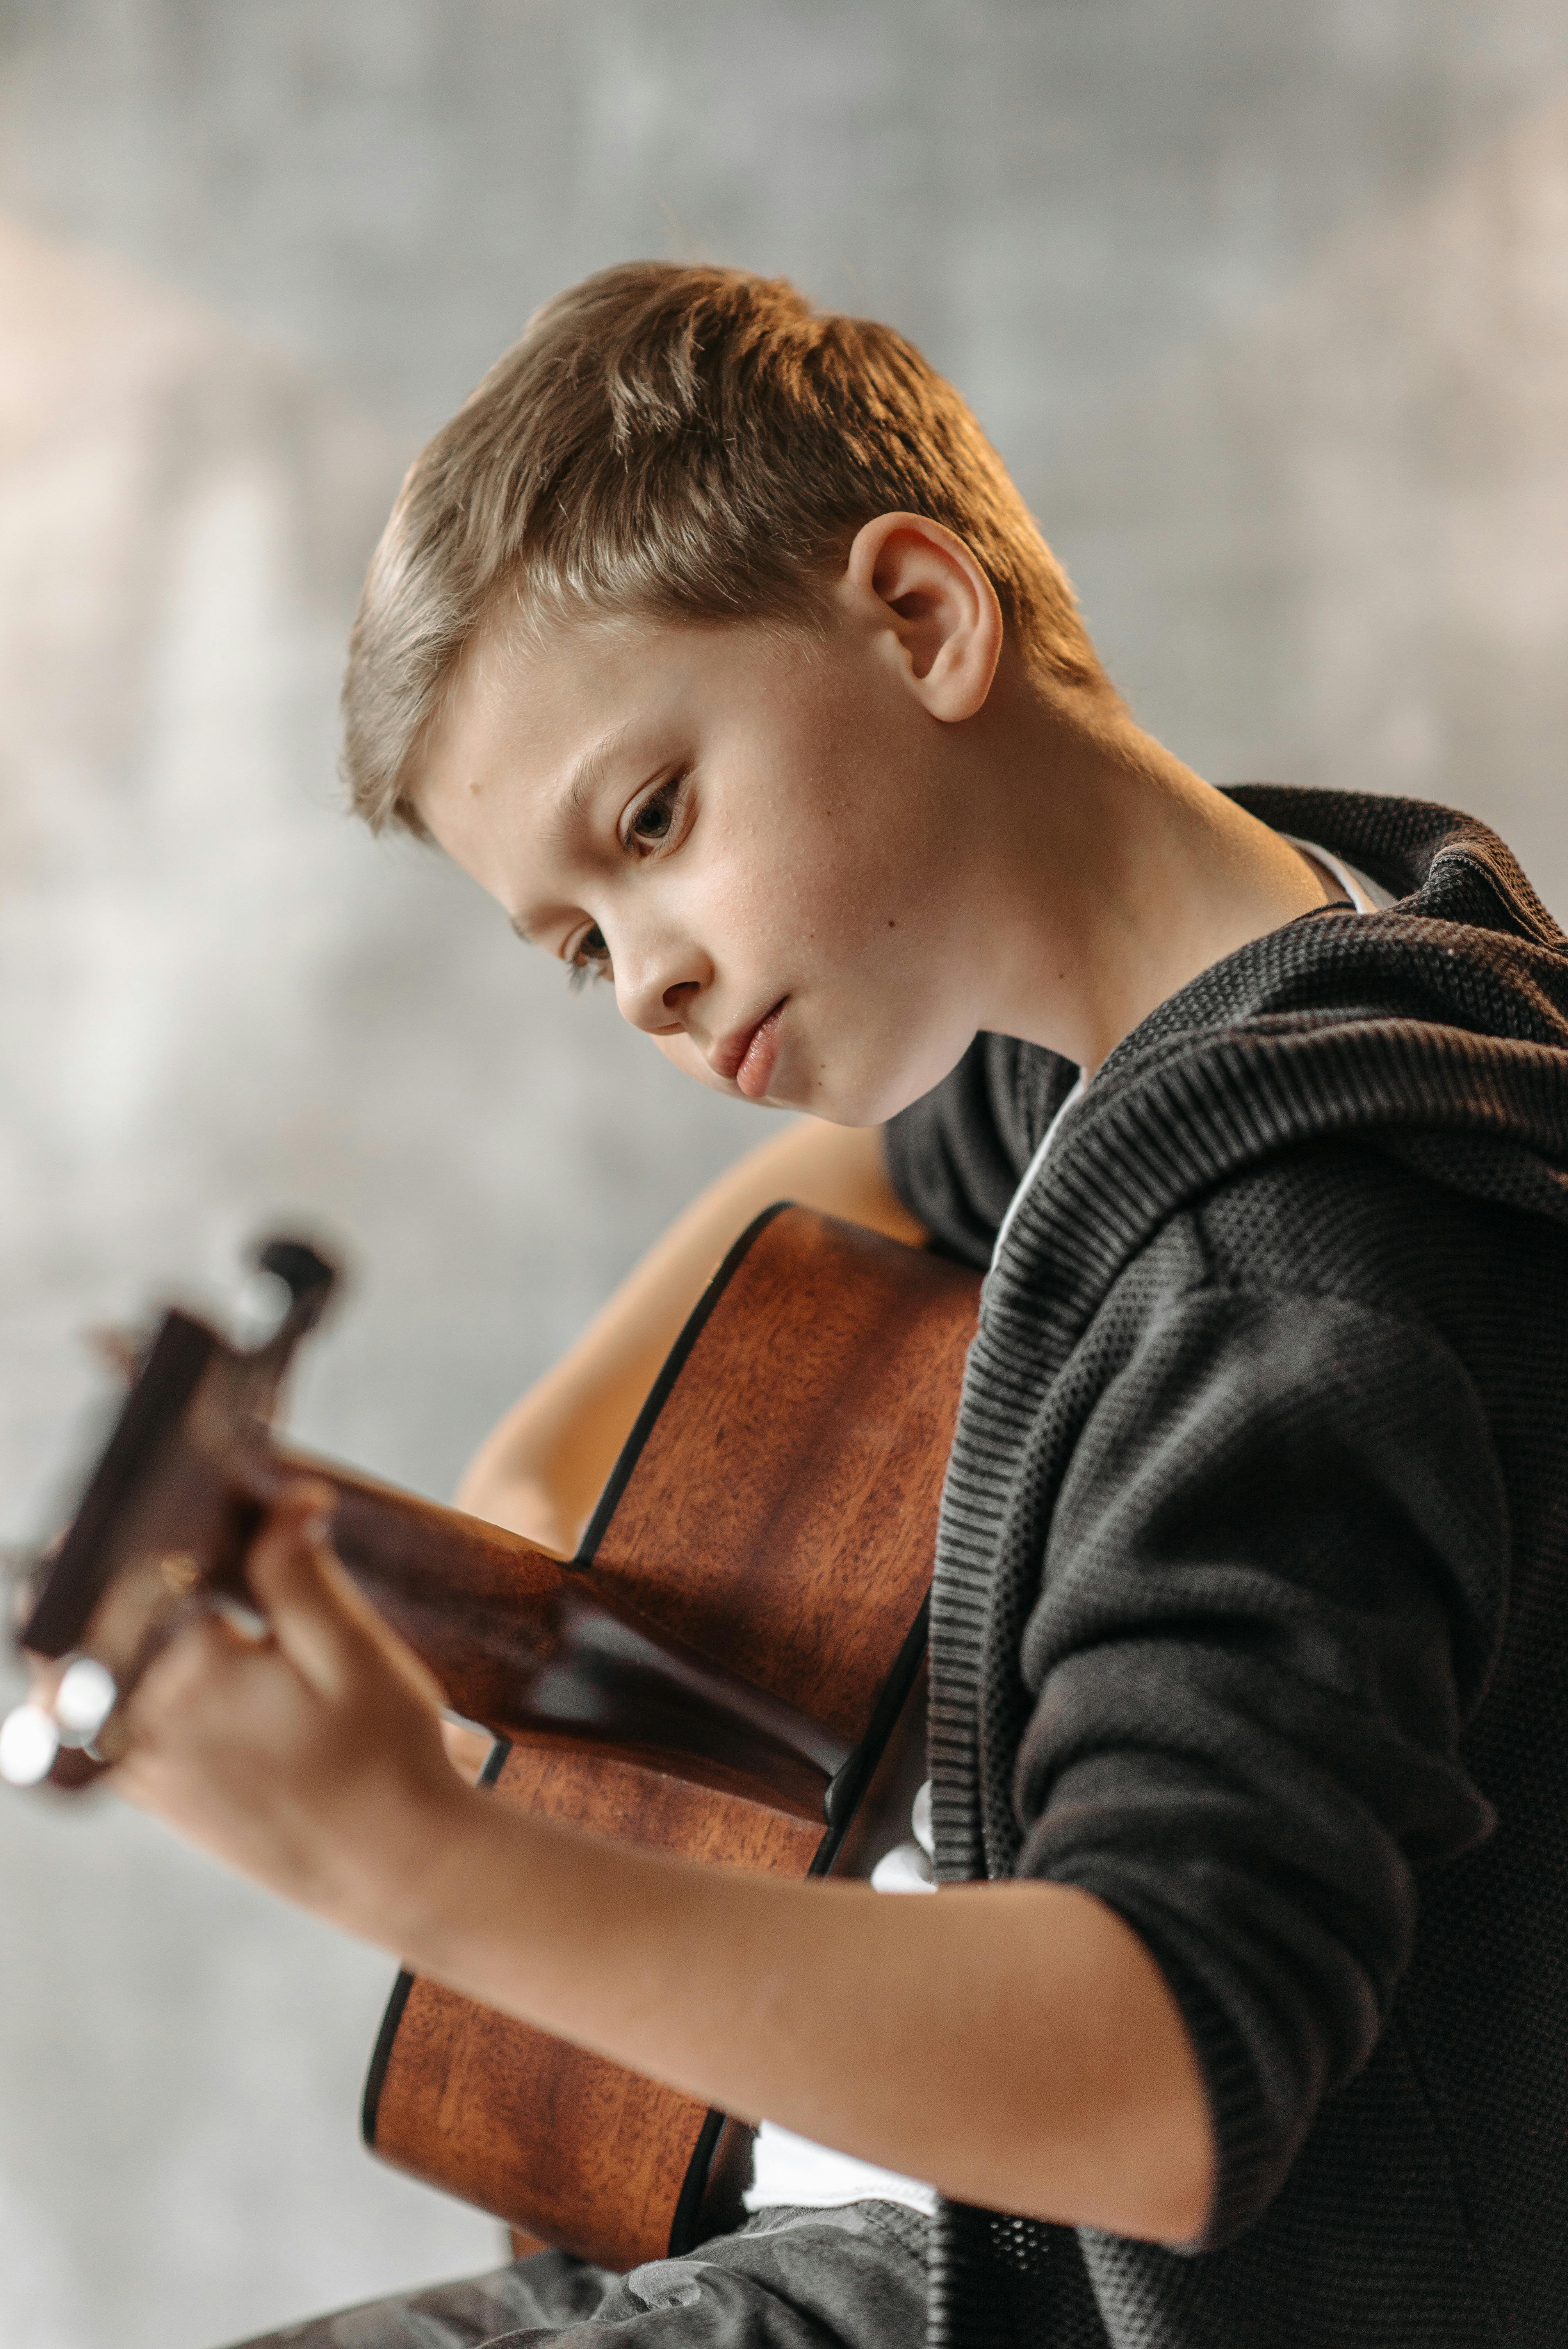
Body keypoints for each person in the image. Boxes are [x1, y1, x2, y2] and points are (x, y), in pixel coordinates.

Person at [67, 264, 1568, 2348]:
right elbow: (878, 1173)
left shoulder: (1293, 1272)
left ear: (923, 619)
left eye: (655, 824)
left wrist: (417, 1864)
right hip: (858, 2196)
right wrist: (538, 1487)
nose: (654, 977)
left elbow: (1172, 2081)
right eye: (584, 946)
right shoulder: (1156, 1019)